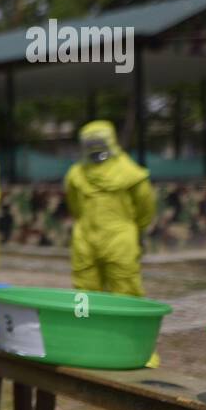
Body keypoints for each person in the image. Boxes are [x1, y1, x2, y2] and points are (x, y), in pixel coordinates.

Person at [64, 119, 156, 294]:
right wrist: (134, 229)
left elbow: (146, 208)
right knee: (84, 290)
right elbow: (74, 205)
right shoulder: (76, 174)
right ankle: (82, 321)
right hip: (94, 239)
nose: (95, 148)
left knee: (124, 288)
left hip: (114, 239)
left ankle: (124, 321)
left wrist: (133, 229)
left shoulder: (130, 173)